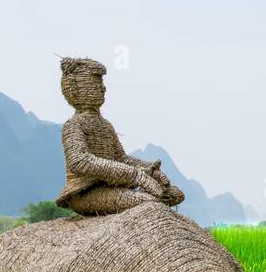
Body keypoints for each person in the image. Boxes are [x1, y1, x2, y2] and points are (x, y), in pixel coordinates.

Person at [54, 57, 185, 215]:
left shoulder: (106, 125)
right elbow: (80, 161)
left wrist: (148, 169)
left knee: (174, 195)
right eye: (96, 83)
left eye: (102, 83)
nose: (103, 89)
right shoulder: (73, 125)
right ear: (76, 88)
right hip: (86, 192)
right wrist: (133, 175)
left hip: (111, 186)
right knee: (148, 203)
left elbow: (120, 157)